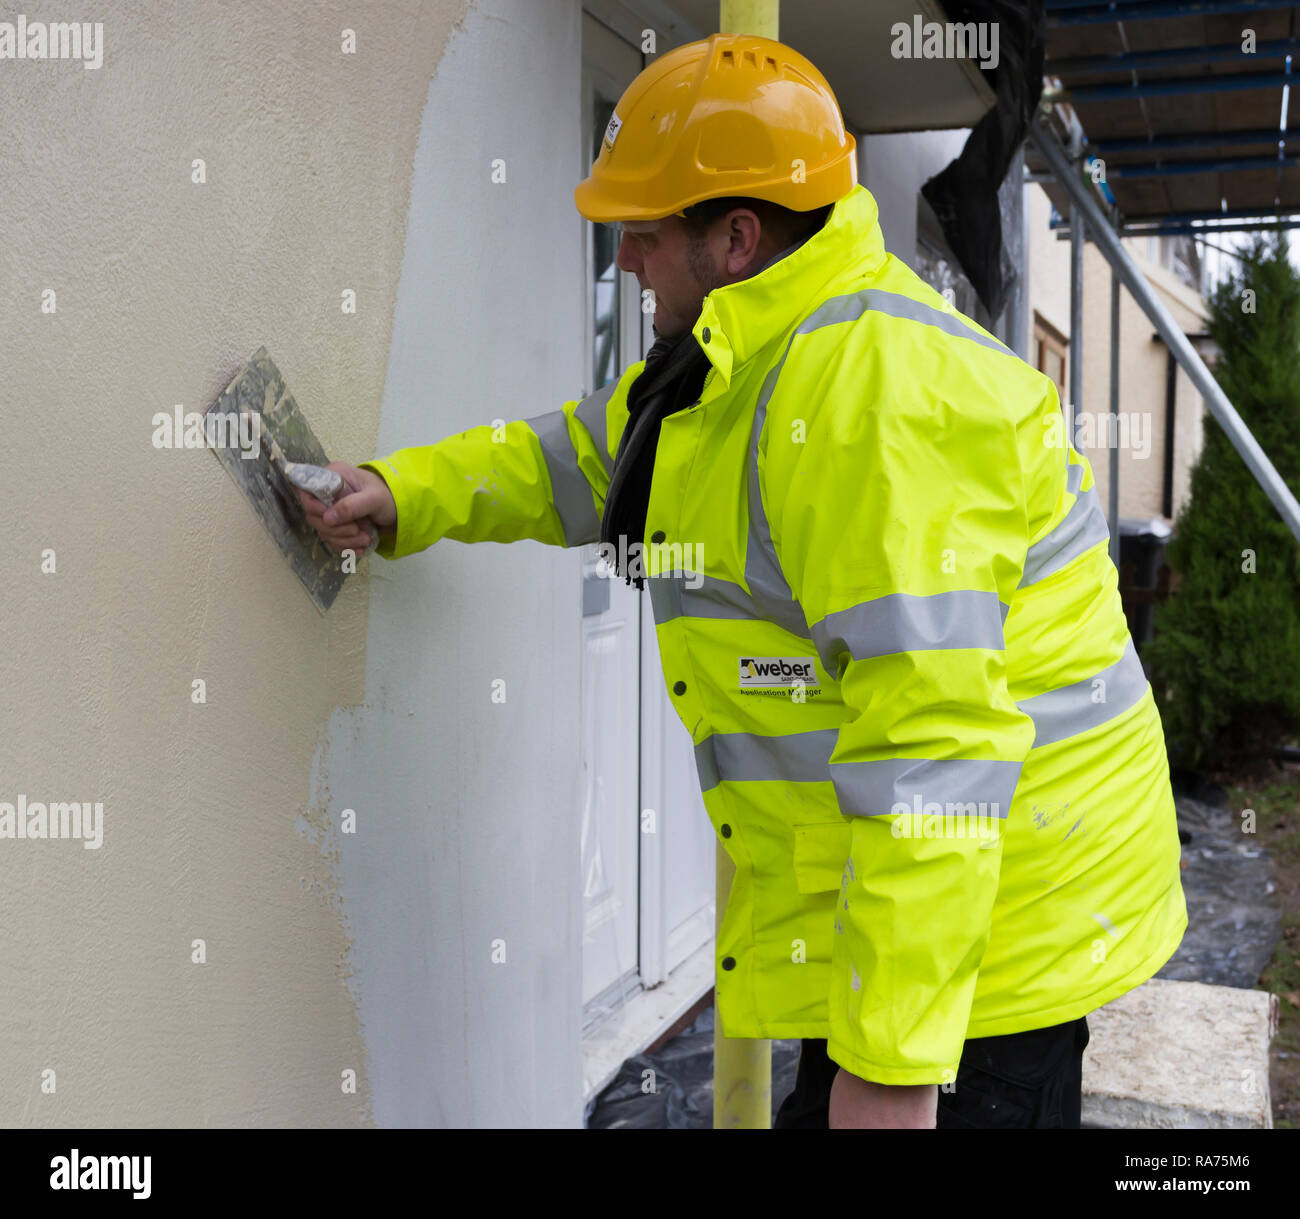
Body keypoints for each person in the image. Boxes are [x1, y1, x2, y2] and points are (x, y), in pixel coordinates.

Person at [298, 33, 1187, 1129]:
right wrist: (398, 493)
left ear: (734, 237)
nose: (623, 261)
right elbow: (579, 458)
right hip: (900, 930)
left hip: (986, 957)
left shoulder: (873, 403)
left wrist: (891, 1065)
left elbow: (934, 746)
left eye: (643, 234)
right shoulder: (738, 360)